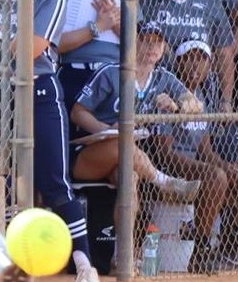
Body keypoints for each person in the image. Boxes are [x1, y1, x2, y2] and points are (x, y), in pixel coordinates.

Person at [160, 36, 238, 273]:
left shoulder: (202, 98)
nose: (196, 65)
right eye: (189, 59)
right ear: (178, 63)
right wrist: (213, 170)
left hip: (201, 168)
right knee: (216, 177)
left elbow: (205, 149)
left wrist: (226, 166)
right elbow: (165, 153)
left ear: (210, 67)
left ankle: (230, 248)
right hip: (173, 168)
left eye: (202, 60)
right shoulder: (168, 96)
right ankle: (201, 253)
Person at [26, 0, 101, 282]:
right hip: (2, 97)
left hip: (40, 93)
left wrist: (2, 40)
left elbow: (32, 48)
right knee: (9, 183)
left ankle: (85, 265)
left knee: (55, 183)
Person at [70, 23, 202, 206]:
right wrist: (108, 130)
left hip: (125, 157)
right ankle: (165, 183)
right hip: (88, 154)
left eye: (158, 42)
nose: (152, 47)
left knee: (130, 182)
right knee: (120, 143)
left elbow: (196, 105)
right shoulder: (111, 72)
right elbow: (77, 113)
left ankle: (128, 234)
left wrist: (177, 106)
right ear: (133, 42)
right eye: (146, 41)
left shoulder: (163, 78)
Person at [54, 0, 122, 111]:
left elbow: (136, 47)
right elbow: (55, 44)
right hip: (75, 73)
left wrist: (114, 23)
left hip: (113, 76)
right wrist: (98, 27)